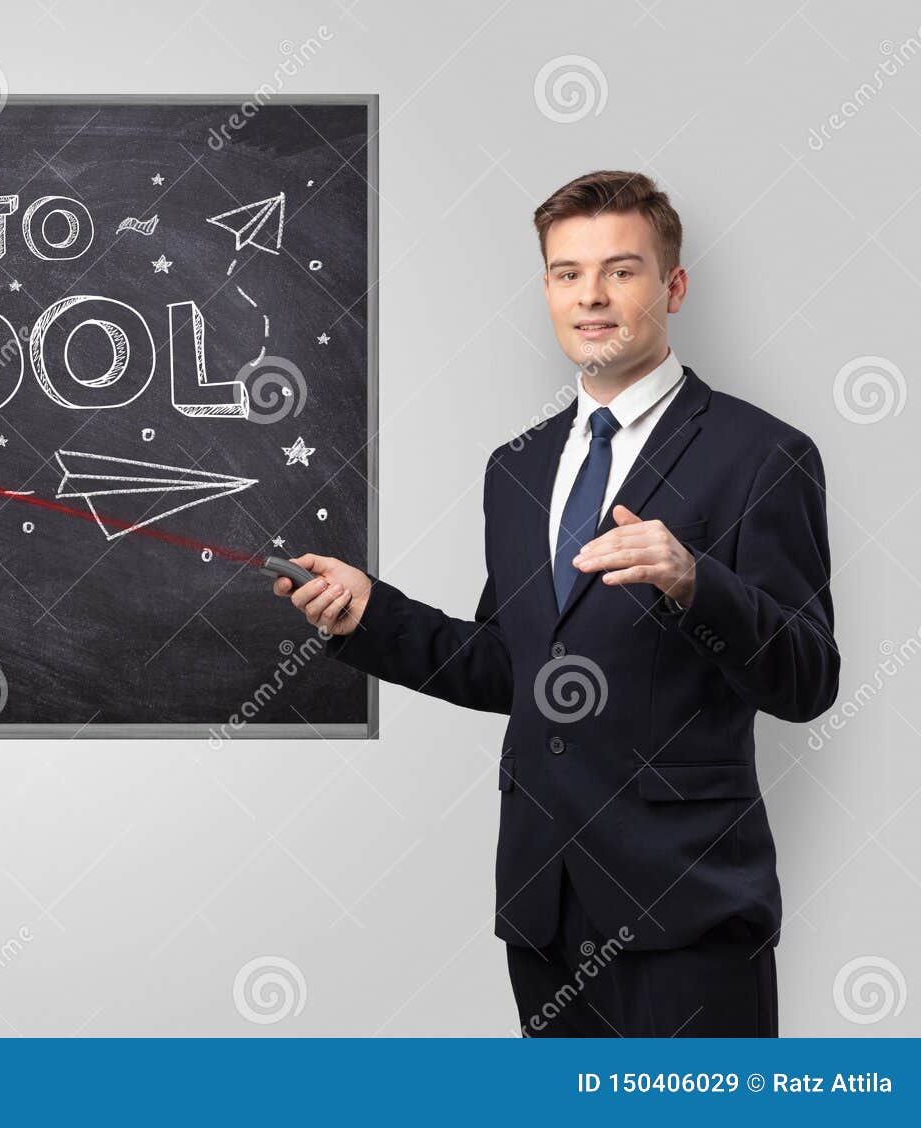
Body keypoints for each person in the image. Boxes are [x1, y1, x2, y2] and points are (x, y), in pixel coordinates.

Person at [274, 170, 839, 1037]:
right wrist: (370, 615)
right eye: (567, 273)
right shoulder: (520, 466)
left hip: (686, 907)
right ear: (546, 288)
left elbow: (808, 682)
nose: (592, 297)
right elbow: (511, 666)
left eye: (622, 270)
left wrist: (696, 579)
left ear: (673, 286)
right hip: (545, 901)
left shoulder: (762, 453)